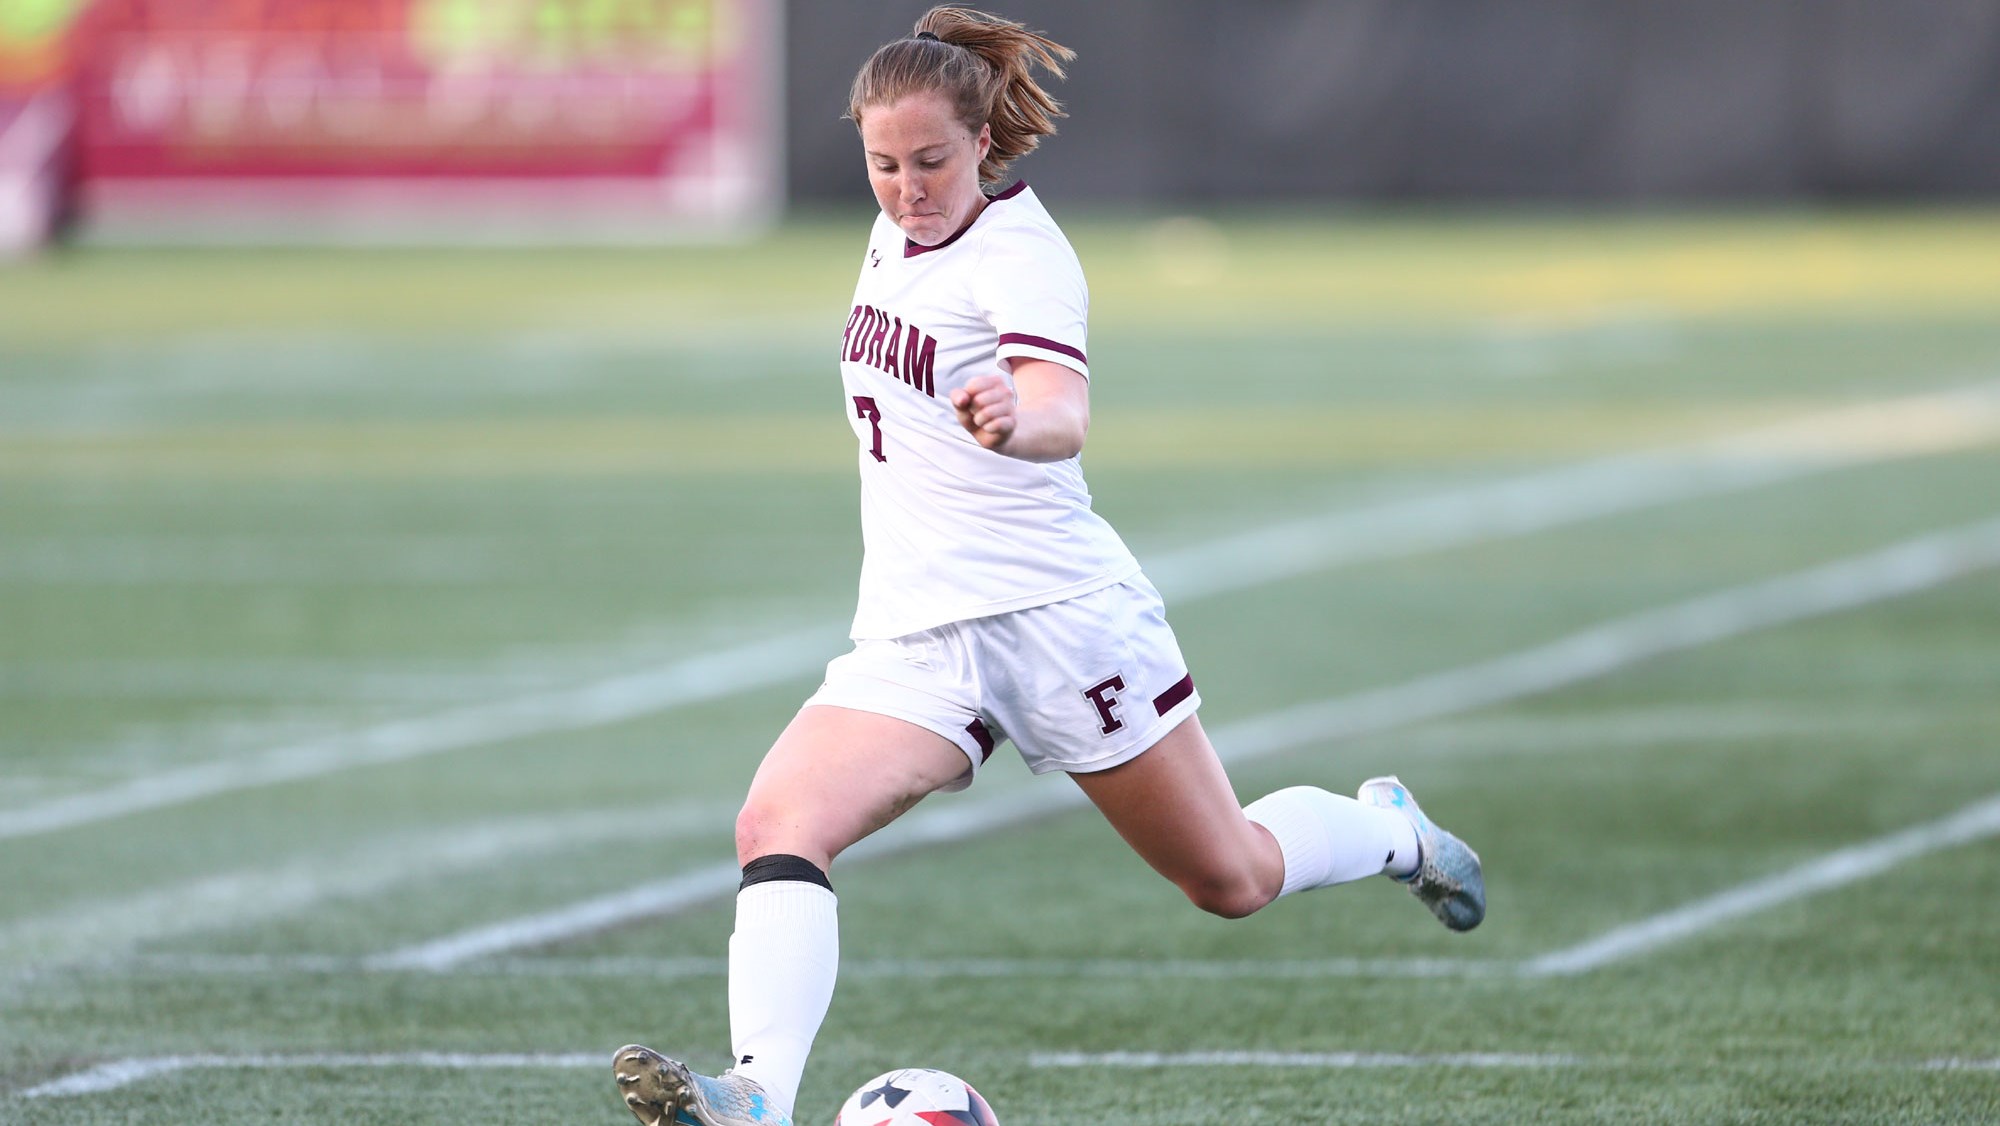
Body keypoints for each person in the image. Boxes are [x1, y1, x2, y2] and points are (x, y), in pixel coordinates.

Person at [612, 9, 1484, 1125]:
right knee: (776, 822)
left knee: (1230, 878)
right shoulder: (892, 233)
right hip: (922, 634)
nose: (906, 187)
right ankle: (755, 1097)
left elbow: (1062, 411)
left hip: (1059, 621)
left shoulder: (1020, 256)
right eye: (882, 164)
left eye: (929, 162)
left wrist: (1011, 418)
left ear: (981, 142)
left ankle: (1392, 829)